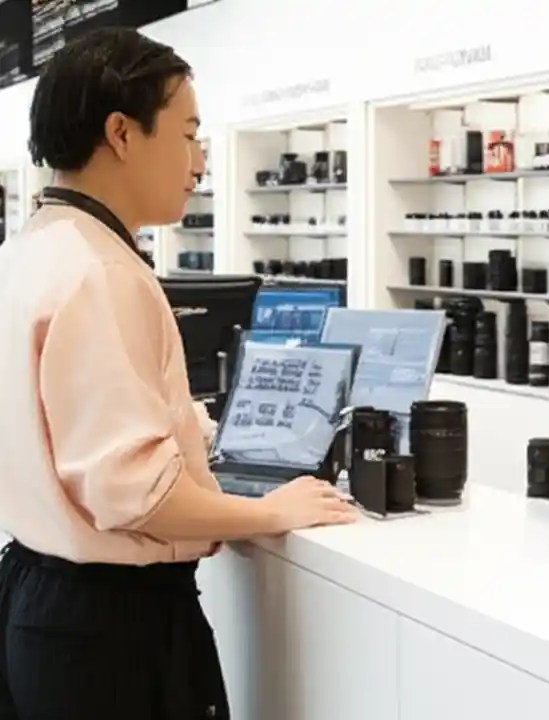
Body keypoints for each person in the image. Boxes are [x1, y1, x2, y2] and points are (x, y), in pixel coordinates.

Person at [0, 28, 359, 718]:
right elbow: (136, 496)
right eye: (189, 133)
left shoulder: (30, 253)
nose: (199, 161)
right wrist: (265, 512)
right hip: (111, 631)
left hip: (39, 601)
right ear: (122, 134)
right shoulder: (101, 273)